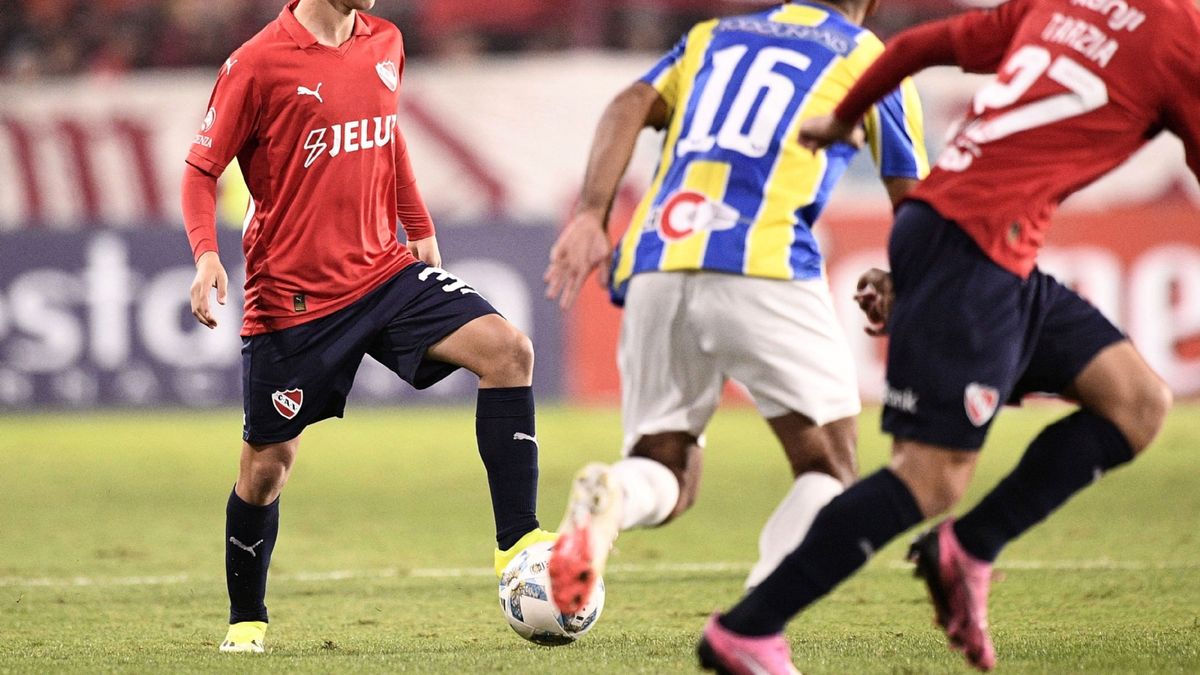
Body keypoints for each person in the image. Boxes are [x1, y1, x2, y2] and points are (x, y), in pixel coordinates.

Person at [698, 0, 1199, 670]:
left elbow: (911, 48)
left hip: (974, 242)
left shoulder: (1058, 6)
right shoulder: (1183, 38)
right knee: (929, 479)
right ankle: (747, 628)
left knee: (1135, 402)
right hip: (975, 249)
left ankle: (968, 548)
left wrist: (845, 119)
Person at [181, 0, 554, 653]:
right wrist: (206, 254)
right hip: (294, 300)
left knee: (508, 351)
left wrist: (419, 221)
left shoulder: (386, 41)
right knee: (266, 470)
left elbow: (387, 134)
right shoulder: (257, 64)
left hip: (384, 272)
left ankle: (519, 545)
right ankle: (247, 618)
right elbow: (200, 169)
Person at [543, 0, 928, 615]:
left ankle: (613, 494)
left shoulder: (713, 36)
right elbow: (914, 198)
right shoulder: (868, 57)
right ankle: (753, 619)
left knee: (663, 463)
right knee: (829, 467)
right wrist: (906, 276)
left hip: (658, 259)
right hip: (763, 261)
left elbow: (628, 102)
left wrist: (591, 214)